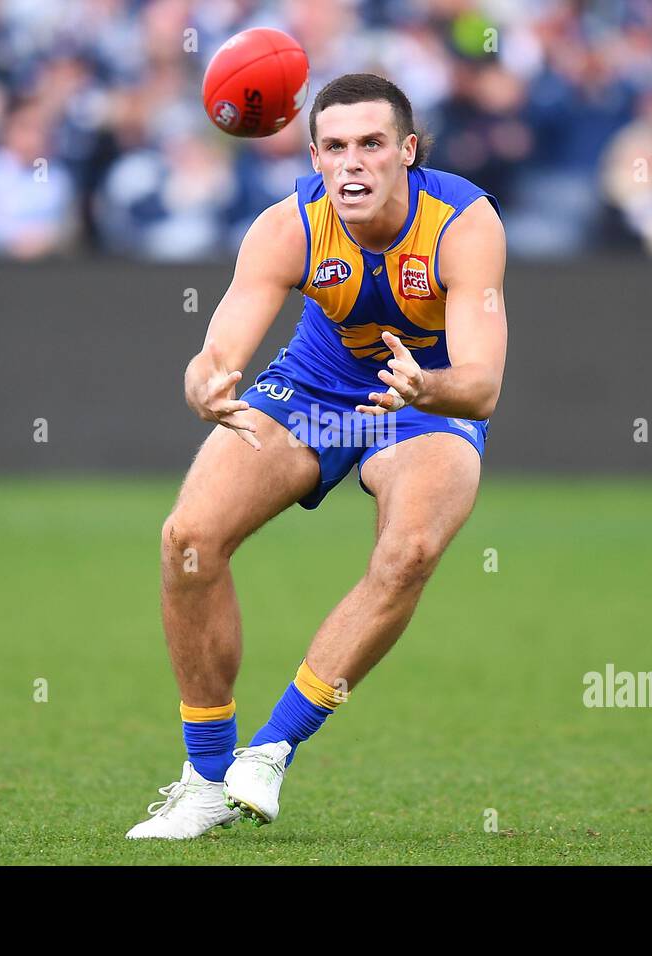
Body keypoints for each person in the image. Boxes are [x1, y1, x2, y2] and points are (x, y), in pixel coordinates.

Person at [127, 73, 508, 839]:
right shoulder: (286, 226)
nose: (351, 165)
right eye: (333, 147)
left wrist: (423, 384)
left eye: (370, 145)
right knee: (188, 541)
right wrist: (205, 386)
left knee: (409, 552)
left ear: (407, 151)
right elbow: (218, 352)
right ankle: (205, 777)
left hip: (418, 405)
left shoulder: (464, 223)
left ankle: (270, 751)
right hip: (311, 393)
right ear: (313, 155)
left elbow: (482, 388)